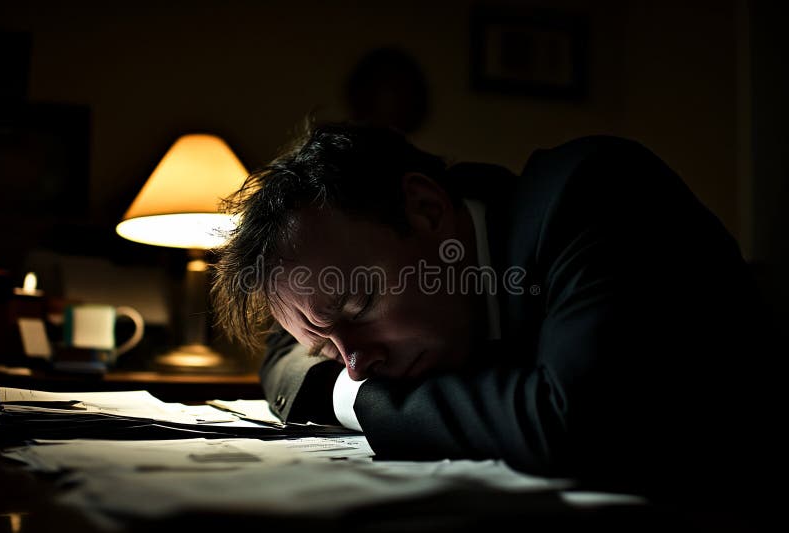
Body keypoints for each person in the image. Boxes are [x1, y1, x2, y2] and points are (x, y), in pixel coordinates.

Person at [211, 121, 777, 516]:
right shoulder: (340, 305)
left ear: (428, 209)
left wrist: (364, 402)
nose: (356, 364)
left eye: (360, 305)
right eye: (327, 349)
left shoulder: (595, 192)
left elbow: (574, 424)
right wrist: (336, 370)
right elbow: (280, 351)